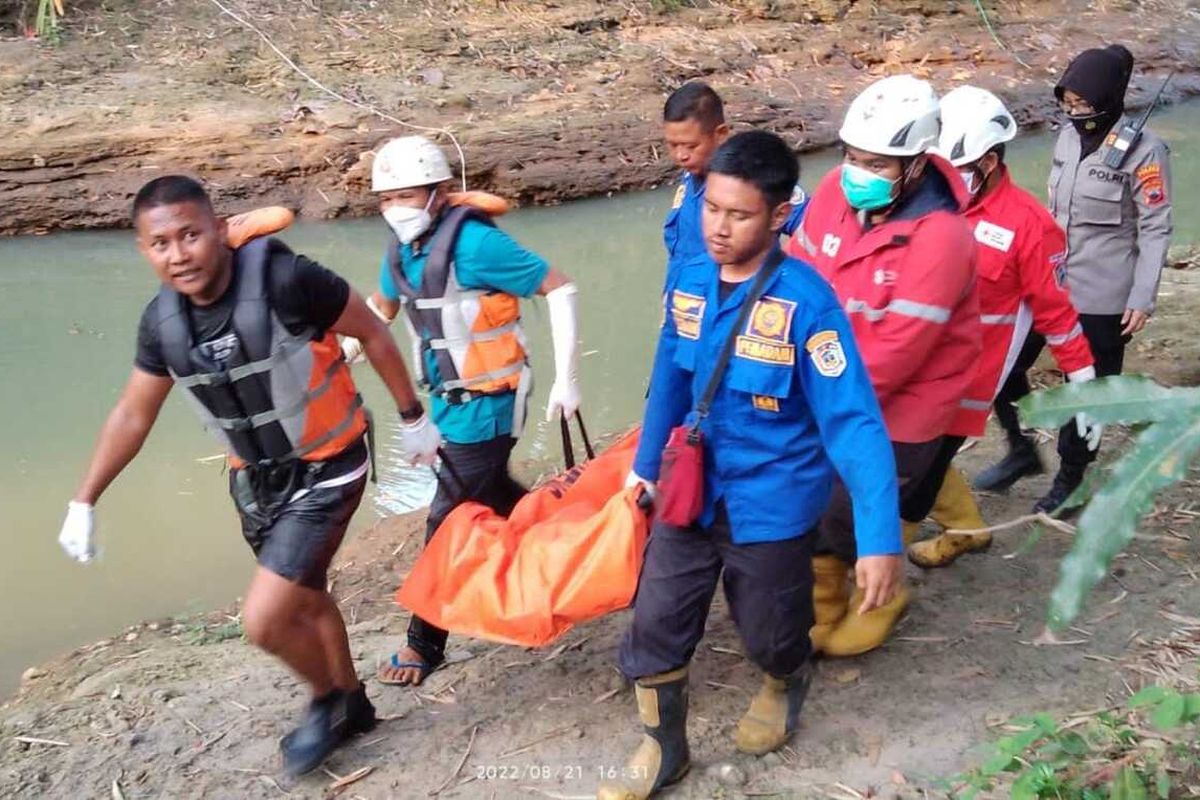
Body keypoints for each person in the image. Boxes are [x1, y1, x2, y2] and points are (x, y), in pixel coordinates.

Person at [54, 176, 442, 775]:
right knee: (306, 594)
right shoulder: (162, 324)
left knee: (265, 621)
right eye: (161, 243)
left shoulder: (288, 279)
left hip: (329, 464)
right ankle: (355, 704)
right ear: (143, 250)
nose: (179, 254)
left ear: (219, 230)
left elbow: (370, 329)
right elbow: (133, 413)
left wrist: (413, 418)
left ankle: (326, 700)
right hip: (256, 482)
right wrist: (84, 500)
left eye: (190, 235)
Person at [605, 130, 902, 800]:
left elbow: (853, 423)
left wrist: (880, 539)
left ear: (778, 215)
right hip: (692, 489)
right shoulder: (688, 280)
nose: (718, 227)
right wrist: (644, 468)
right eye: (711, 208)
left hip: (772, 499)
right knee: (656, 620)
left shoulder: (807, 305)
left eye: (738, 215)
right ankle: (663, 747)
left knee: (771, 629)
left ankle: (785, 679)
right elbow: (670, 376)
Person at [339, 135, 583, 687]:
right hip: (447, 402)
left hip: (490, 402)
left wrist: (567, 381)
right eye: (385, 199)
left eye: (406, 196)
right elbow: (382, 309)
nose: (394, 208)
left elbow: (560, 288)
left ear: (440, 192)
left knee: (446, 517)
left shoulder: (477, 245)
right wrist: (342, 357)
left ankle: (424, 644)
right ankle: (573, 553)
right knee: (496, 496)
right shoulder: (403, 250)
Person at [787, 74, 981, 655]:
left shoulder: (942, 239)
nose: (857, 173)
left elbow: (896, 352)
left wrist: (808, 398)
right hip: (826, 381)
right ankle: (823, 602)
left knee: (851, 507)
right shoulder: (832, 193)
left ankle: (882, 597)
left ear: (916, 165)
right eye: (852, 157)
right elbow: (796, 280)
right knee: (812, 497)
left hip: (903, 406)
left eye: (876, 164)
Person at [903, 86, 1099, 567]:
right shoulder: (924, 199)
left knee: (910, 480)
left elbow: (1057, 313)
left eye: (955, 169)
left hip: (967, 381)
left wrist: (1085, 387)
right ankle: (966, 527)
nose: (941, 178)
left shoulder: (1030, 226)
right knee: (902, 454)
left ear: (988, 162)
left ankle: (872, 580)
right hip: (908, 361)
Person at [977, 44, 1173, 513]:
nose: (1074, 112)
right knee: (1005, 362)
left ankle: (1071, 480)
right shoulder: (1066, 138)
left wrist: (1142, 296)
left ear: (1106, 98)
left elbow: (1155, 226)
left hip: (1103, 292)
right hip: (1048, 279)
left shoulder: (1146, 152)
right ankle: (1021, 449)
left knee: (1086, 390)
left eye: (1082, 104)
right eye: (1067, 103)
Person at [662, 81, 807, 282]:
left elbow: (813, 228)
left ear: (720, 134)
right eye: (673, 145)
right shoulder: (691, 176)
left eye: (691, 146)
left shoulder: (752, 177)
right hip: (687, 294)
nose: (681, 156)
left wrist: (783, 277)